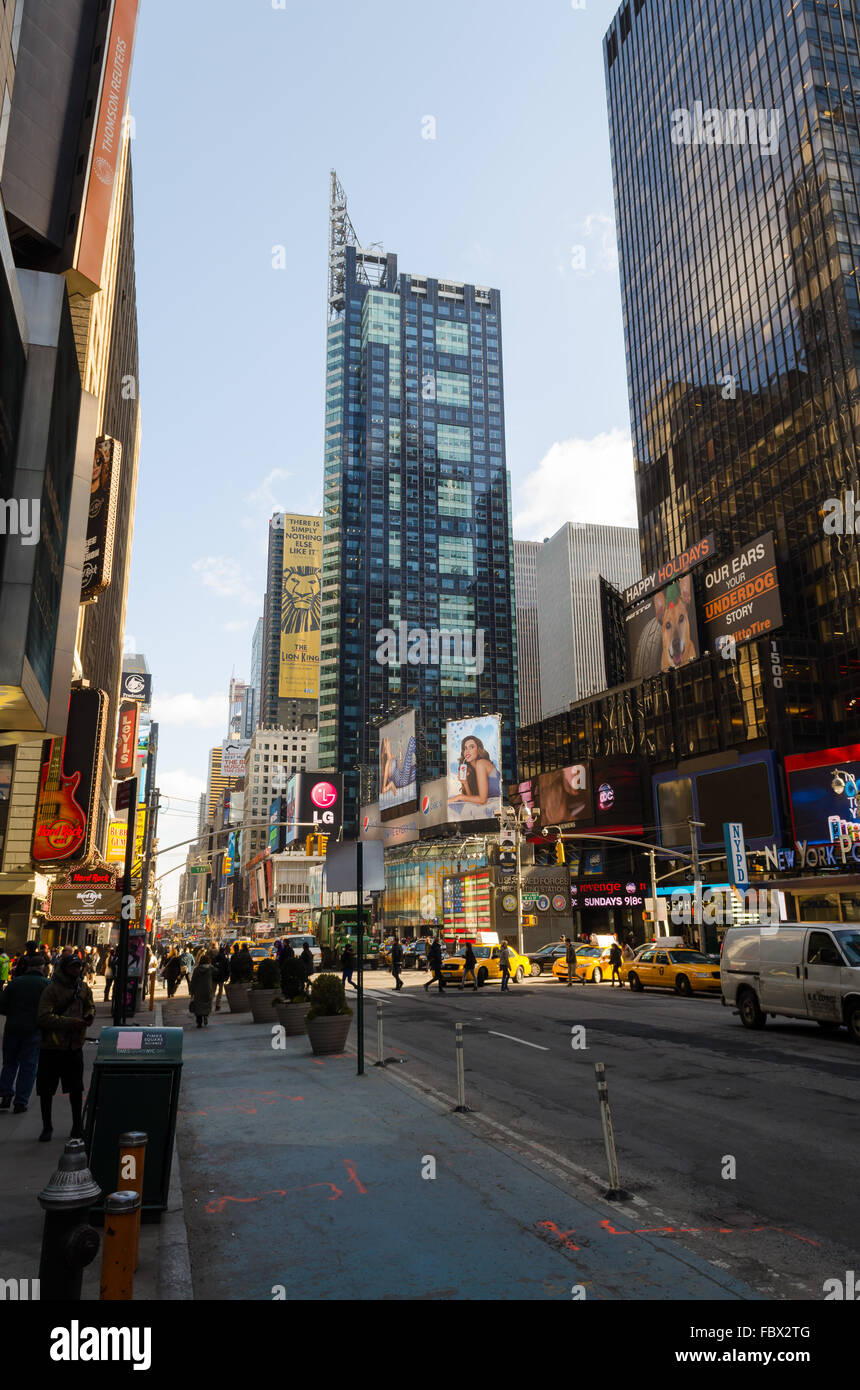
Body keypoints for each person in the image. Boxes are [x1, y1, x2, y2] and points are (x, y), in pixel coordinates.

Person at [36, 951, 95, 1142]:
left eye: (78, 966)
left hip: (74, 1046)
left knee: (76, 1090)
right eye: (72, 966)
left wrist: (89, 1016)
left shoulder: (84, 988)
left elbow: (90, 1006)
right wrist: (71, 1022)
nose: (76, 970)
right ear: (64, 968)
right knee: (47, 1090)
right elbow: (43, 1017)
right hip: (52, 1047)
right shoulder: (51, 990)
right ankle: (46, 1126)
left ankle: (77, 1126)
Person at [0, 954, 49, 1113]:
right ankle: (21, 1101)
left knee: (9, 1063)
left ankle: (5, 1094)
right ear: (43, 968)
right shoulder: (46, 985)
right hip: (34, 1030)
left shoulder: (15, 983)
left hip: (13, 1028)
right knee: (28, 1066)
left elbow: (2, 1006)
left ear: (28, 968)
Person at [447, 735, 501, 809]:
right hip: (491, 807)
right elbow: (473, 800)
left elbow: (482, 800)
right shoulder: (472, 770)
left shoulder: (481, 763)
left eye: (471, 747)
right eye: (465, 748)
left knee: (454, 801)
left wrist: (460, 797)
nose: (467, 751)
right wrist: (465, 783)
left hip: (500, 804)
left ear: (478, 749)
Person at [189, 953, 214, 1028]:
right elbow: (217, 972)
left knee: (198, 1006)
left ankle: (199, 1022)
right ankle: (206, 1015)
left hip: (198, 991)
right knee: (207, 1004)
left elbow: (193, 981)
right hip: (208, 990)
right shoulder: (210, 969)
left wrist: (191, 991)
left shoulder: (197, 969)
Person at [212, 945, 230, 1010]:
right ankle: (218, 1005)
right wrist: (226, 978)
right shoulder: (225, 959)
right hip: (221, 978)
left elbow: (212, 967)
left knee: (212, 992)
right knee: (220, 992)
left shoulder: (215, 959)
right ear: (224, 952)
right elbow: (227, 970)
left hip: (214, 978)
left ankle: (210, 1004)